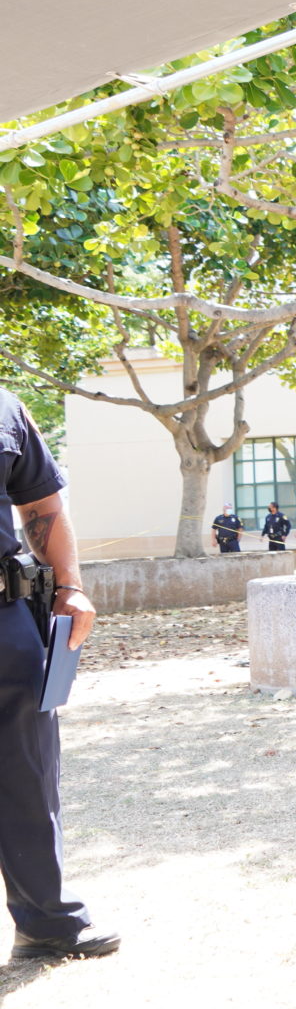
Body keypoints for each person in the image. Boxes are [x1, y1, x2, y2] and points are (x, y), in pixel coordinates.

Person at [1, 386, 116, 963]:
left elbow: (42, 506)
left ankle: (48, 922)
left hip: (5, 623)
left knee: (28, 773)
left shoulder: (4, 407)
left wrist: (70, 585)